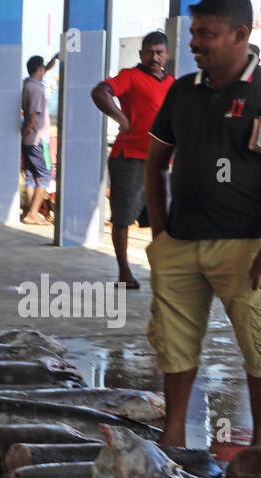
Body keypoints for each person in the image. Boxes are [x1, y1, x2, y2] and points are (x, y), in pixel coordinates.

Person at [146, 0, 261, 448]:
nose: (195, 42)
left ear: (241, 35)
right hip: (180, 243)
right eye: (195, 32)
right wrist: (160, 233)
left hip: (247, 246)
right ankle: (174, 435)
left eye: (207, 34)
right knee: (174, 344)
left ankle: (259, 446)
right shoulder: (182, 90)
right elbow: (156, 161)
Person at [91, 32, 173, 288]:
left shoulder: (173, 83)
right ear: (141, 54)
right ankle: (124, 272)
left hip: (163, 161)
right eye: (149, 52)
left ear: (167, 55)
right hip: (130, 159)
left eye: (159, 52)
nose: (154, 56)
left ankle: (164, 271)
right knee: (123, 218)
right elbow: (100, 91)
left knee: (165, 221)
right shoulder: (130, 76)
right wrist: (121, 118)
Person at [22, 52, 60, 225]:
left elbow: (45, 69)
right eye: (43, 68)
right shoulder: (36, 89)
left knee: (31, 176)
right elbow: (33, 117)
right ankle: (33, 213)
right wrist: (26, 133)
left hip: (29, 141)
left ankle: (32, 211)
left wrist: (54, 59)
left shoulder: (28, 84)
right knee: (46, 175)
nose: (45, 70)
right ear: (39, 69)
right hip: (38, 139)